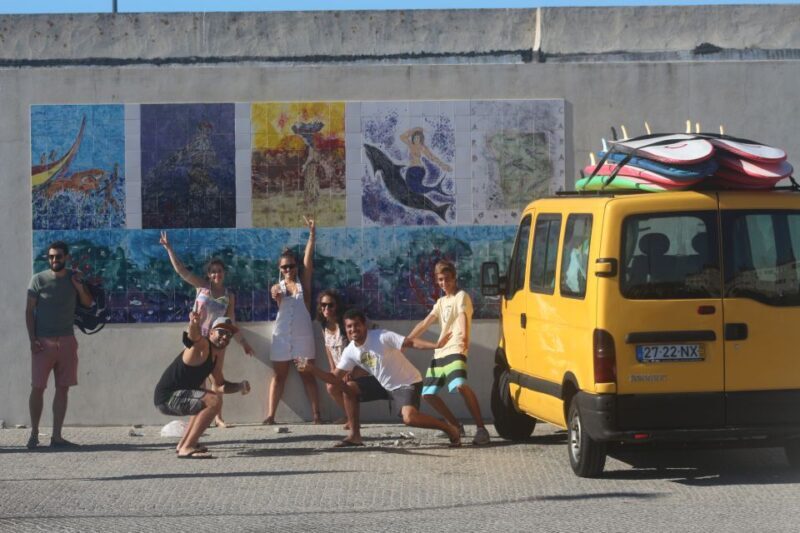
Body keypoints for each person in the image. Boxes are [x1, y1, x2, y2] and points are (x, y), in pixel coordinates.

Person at [297, 308, 462, 447]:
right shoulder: (350, 350)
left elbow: (411, 343)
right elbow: (334, 378)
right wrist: (312, 369)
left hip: (406, 383)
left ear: (364, 326)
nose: (353, 330)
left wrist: (436, 345)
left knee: (410, 418)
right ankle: (355, 436)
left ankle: (449, 429)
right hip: (382, 383)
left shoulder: (382, 336)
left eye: (357, 325)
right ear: (345, 329)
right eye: (349, 327)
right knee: (348, 387)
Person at [160, 231, 254, 428]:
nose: (216, 274)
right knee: (197, 378)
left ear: (224, 273)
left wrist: (244, 343)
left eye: (219, 271)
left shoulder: (229, 295)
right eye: (213, 272)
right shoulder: (202, 287)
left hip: (217, 341)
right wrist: (169, 249)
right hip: (196, 338)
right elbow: (181, 271)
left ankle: (217, 417)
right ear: (208, 274)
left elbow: (231, 322)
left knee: (217, 378)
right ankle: (200, 416)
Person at [407, 260, 490, 445]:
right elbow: (425, 323)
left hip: (455, 348)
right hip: (440, 352)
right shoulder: (440, 302)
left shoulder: (461, 296)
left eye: (447, 279)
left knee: (460, 385)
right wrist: (407, 341)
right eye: (440, 280)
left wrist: (464, 338)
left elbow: (462, 316)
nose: (444, 283)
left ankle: (481, 429)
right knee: (428, 394)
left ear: (454, 278)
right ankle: (454, 426)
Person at [25, 241, 93, 449]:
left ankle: (56, 436)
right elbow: (29, 311)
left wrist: (79, 287)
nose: (55, 260)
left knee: (63, 389)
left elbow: (88, 303)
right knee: (38, 388)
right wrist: (32, 339)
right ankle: (35, 434)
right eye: (51, 257)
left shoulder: (74, 278)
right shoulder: (38, 280)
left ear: (66, 257)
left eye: (59, 256)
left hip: (67, 341)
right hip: (43, 343)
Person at [154, 315, 251, 459]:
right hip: (167, 398)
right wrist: (194, 323)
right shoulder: (203, 345)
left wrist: (239, 386)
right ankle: (188, 447)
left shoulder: (214, 358)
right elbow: (193, 337)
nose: (225, 337)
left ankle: (183, 444)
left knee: (208, 398)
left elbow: (220, 385)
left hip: (177, 396)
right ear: (211, 332)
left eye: (229, 335)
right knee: (213, 401)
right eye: (221, 332)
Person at [265, 216, 320, 424]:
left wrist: (312, 235)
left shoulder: (303, 285)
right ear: (280, 269)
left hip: (303, 336)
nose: (288, 270)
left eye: (291, 266)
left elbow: (309, 258)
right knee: (279, 376)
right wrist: (276, 294)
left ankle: (316, 415)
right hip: (282, 337)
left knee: (307, 375)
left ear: (296, 267)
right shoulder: (278, 286)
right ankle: (270, 416)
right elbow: (275, 294)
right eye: (284, 267)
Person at [316, 289, 375, 427]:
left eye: (330, 305)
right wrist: (333, 369)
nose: (326, 308)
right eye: (323, 305)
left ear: (337, 306)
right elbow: (328, 348)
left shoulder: (344, 325)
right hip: (341, 368)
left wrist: (350, 370)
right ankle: (350, 417)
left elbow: (358, 346)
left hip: (358, 366)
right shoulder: (323, 325)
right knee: (331, 387)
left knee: (346, 385)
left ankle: (352, 420)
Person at [399, 127, 452, 196]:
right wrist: (415, 129)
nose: (416, 140)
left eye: (418, 138)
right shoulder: (410, 145)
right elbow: (402, 137)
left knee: (416, 189)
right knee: (410, 188)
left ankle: (434, 189)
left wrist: (443, 165)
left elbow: (432, 157)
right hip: (410, 170)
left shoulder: (422, 147)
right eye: (415, 138)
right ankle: (435, 188)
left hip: (418, 170)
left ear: (421, 139)